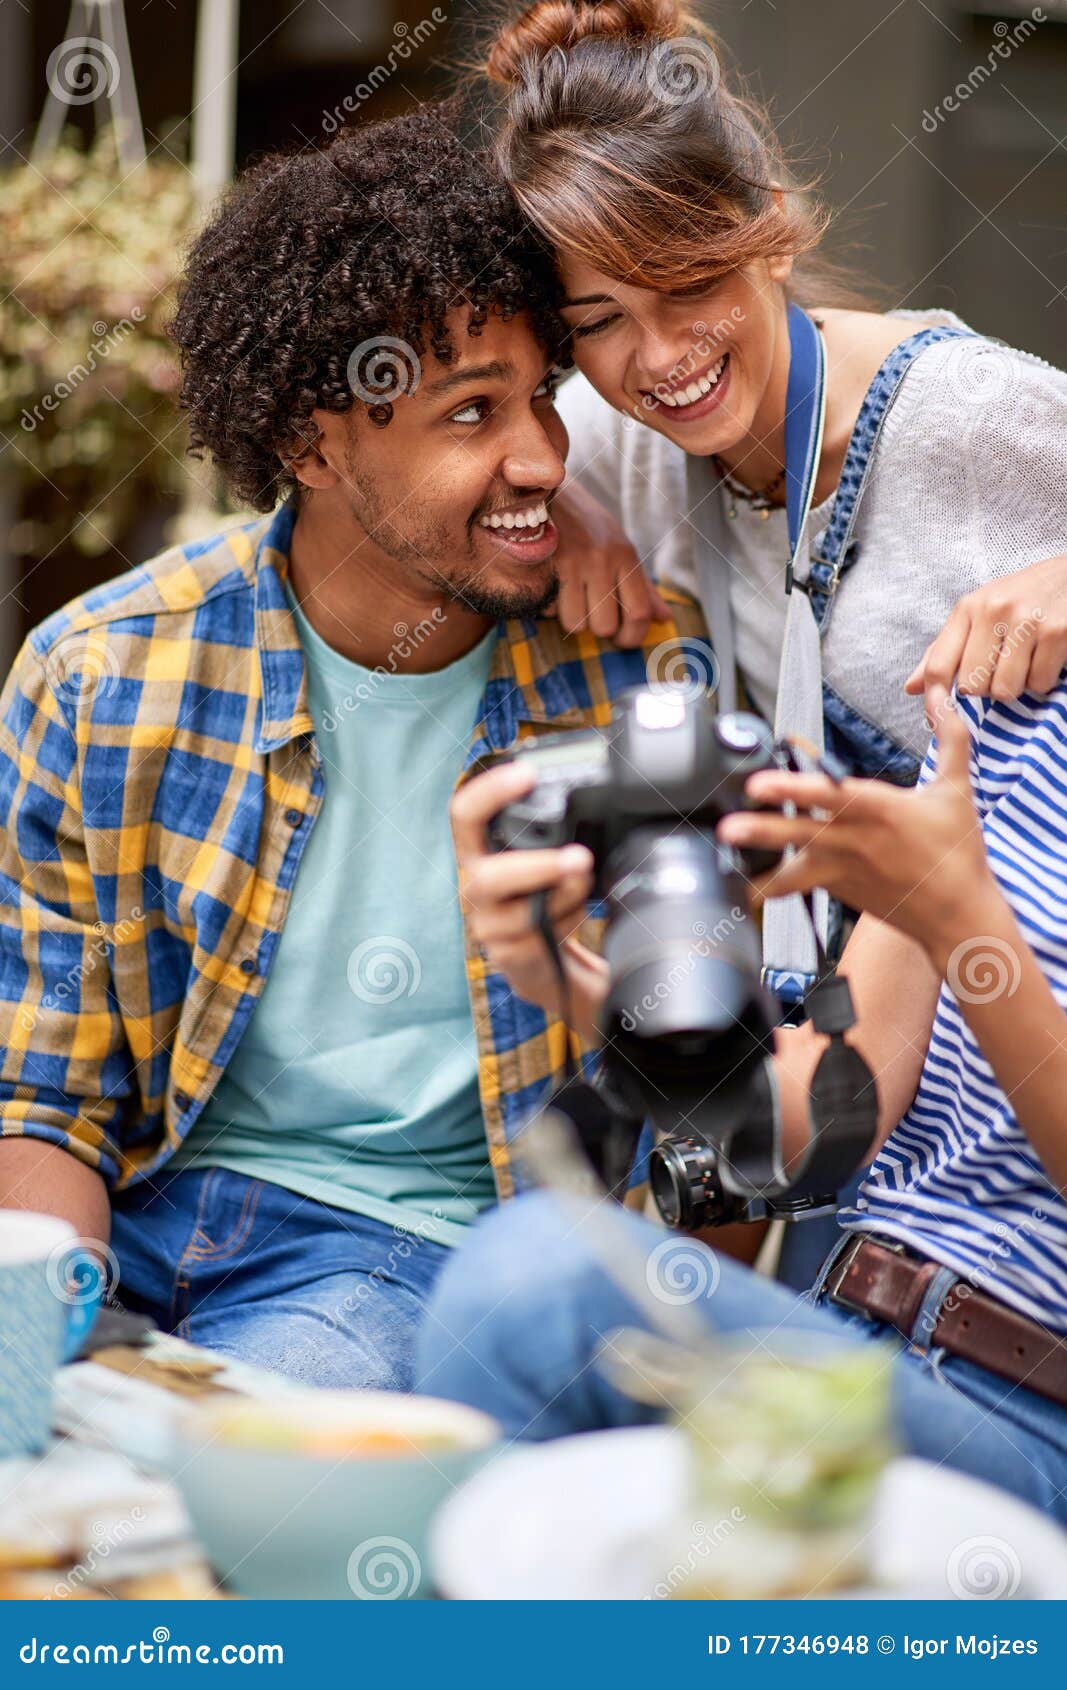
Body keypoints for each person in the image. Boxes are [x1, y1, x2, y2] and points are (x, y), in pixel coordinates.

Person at [0, 105, 707, 1390]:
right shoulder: (103, 674)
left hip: (396, 1258)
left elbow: (706, 1111)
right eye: (471, 412)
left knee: (239, 1464)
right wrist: (46, 1340)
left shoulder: (631, 685)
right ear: (310, 444)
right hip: (128, 1216)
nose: (541, 458)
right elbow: (44, 1097)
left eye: (540, 399)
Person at [477, 0, 1067, 978]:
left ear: (772, 234)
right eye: (601, 320)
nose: (659, 358)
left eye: (688, 285)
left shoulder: (968, 415)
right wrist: (545, 502)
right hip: (847, 1006)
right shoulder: (606, 440)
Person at [416, 678, 1067, 1519]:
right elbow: (827, 1116)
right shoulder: (1012, 713)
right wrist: (574, 983)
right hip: (840, 1342)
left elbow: (953, 914)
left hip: (1031, 1423)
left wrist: (960, 919)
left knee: (535, 1278)